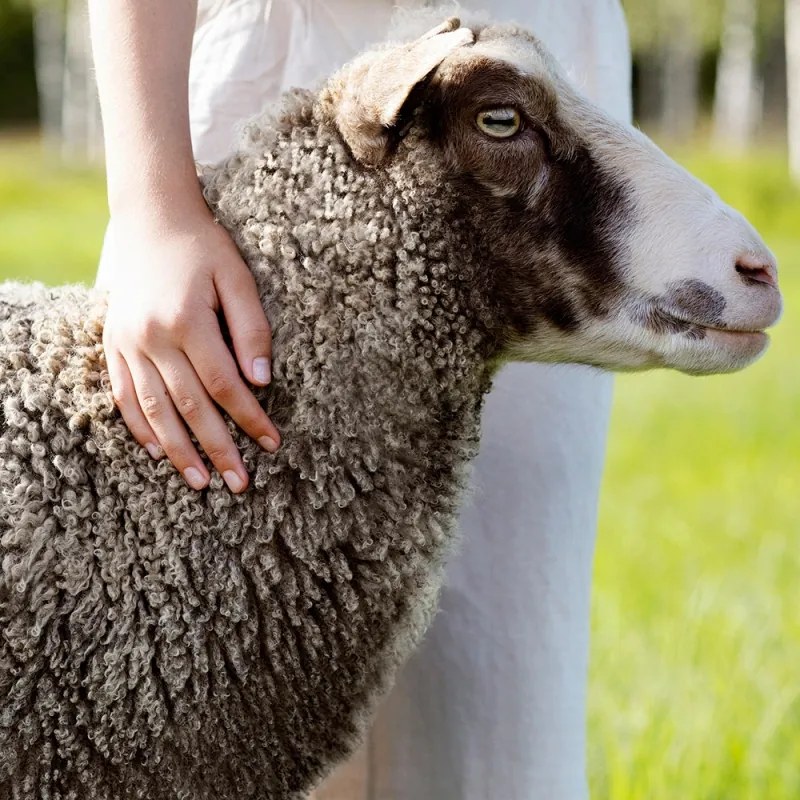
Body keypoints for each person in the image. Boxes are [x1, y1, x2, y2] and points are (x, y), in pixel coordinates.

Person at [89, 1, 632, 798]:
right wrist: (153, 210)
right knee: (185, 699)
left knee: (489, 733)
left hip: (531, 99)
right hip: (276, 73)